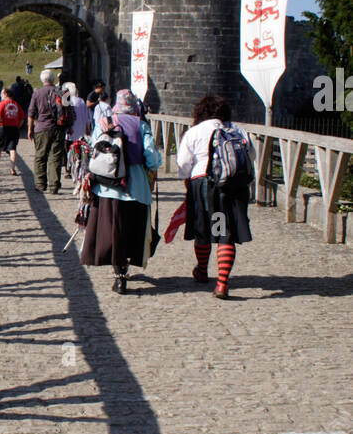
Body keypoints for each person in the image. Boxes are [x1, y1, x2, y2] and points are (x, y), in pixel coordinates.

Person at [80, 88, 162, 292]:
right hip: (136, 187)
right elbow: (151, 158)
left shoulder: (105, 123)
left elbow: (93, 149)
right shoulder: (141, 125)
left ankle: (119, 276)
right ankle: (125, 267)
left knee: (114, 231)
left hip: (109, 186)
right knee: (131, 230)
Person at [176, 94, 254, 299]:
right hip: (231, 185)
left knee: (203, 230)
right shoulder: (237, 130)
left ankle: (202, 272)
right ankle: (222, 283)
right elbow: (251, 156)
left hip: (204, 184)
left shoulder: (195, 131)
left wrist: (187, 179)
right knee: (223, 231)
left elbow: (183, 164)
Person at [27, 68, 65, 193]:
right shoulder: (63, 92)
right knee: (55, 157)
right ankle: (54, 186)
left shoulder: (37, 93)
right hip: (58, 128)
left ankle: (40, 184)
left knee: (40, 156)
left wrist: (29, 129)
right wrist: (69, 127)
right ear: (53, 79)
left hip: (42, 128)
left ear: (42, 80)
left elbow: (31, 113)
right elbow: (70, 112)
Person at [0, 86, 25, 175]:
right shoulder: (16, 105)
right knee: (12, 148)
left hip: (3, 128)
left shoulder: (1, 104)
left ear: (5, 94)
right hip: (14, 128)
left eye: (2, 93)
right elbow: (22, 118)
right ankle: (12, 168)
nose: (0, 95)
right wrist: (17, 126)